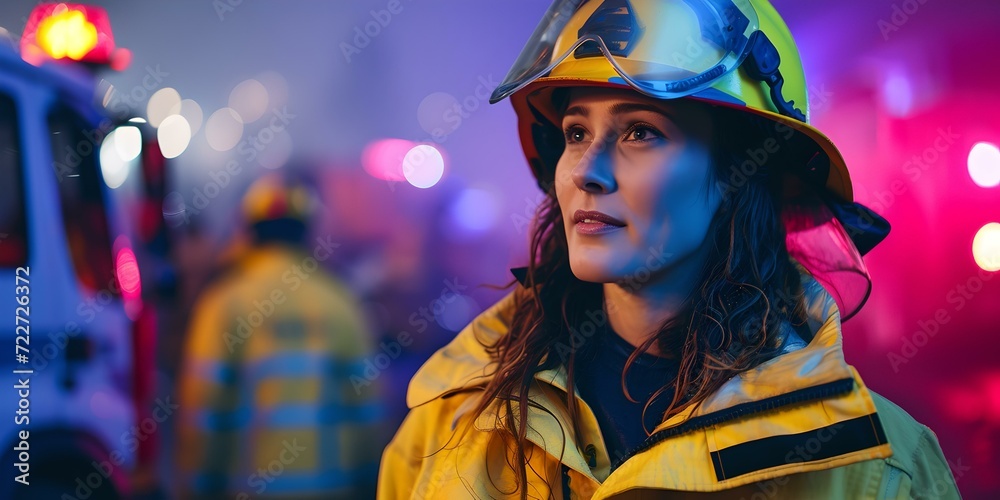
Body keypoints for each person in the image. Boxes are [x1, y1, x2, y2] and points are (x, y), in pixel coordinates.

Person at [378, 1, 961, 499]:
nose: (585, 171)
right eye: (576, 132)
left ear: (739, 174)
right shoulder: (453, 419)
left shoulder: (875, 468)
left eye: (641, 131)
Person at [175, 174, 383, 499]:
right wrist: (371, 482)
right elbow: (366, 407)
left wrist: (196, 488)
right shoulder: (339, 301)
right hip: (331, 490)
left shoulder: (223, 304)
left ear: (249, 232)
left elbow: (203, 410)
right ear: (307, 232)